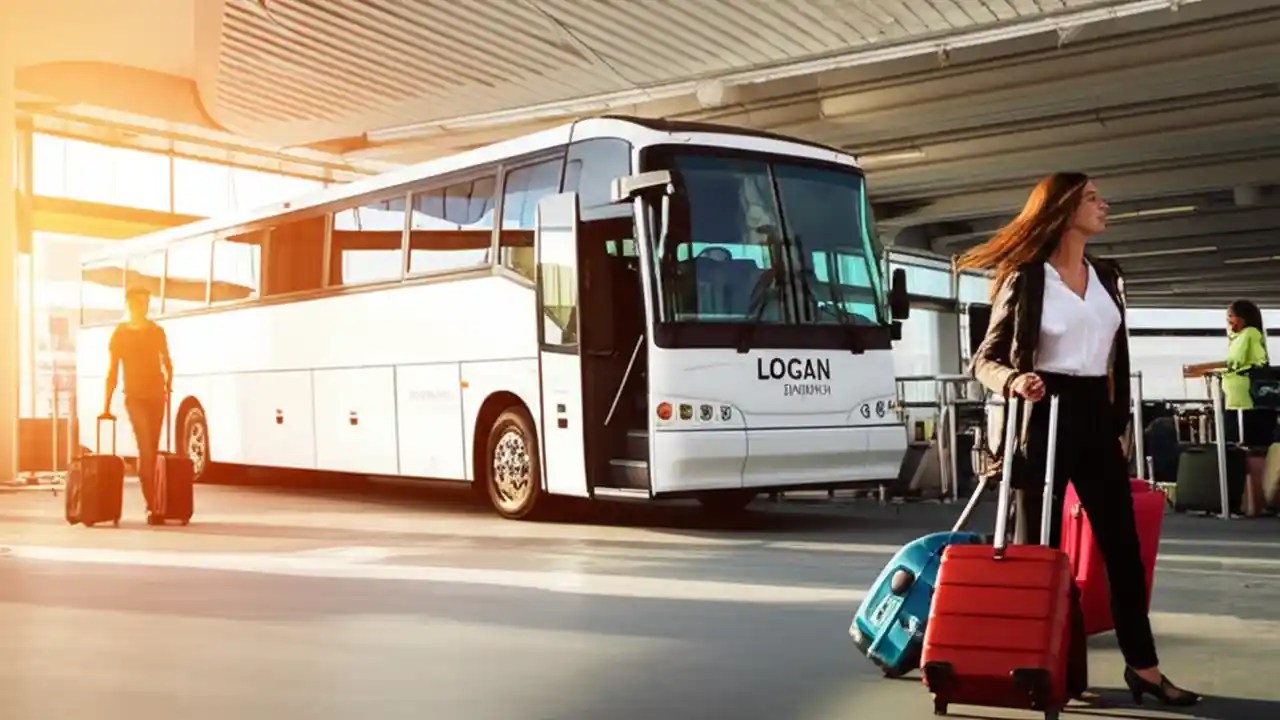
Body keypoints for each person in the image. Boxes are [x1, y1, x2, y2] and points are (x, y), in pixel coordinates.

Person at [959, 172, 1201, 706]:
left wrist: (1117, 426)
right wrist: (1014, 380)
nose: (1104, 206)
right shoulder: (1025, 277)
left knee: (1124, 551)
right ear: (1065, 209)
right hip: (1042, 414)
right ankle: (1042, 666)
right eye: (1093, 198)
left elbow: (1114, 360)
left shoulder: (1108, 276)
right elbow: (985, 360)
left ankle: (1145, 667)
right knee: (1040, 553)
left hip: (1095, 416)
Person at [103, 286, 173, 526]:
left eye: (144, 303)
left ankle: (156, 503)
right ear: (128, 305)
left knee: (152, 451)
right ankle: (153, 506)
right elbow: (112, 371)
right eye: (136, 303)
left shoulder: (156, 331)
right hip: (134, 397)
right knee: (144, 447)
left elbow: (167, 361)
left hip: (156, 397)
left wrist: (168, 386)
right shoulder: (120, 333)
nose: (141, 307)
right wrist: (106, 405)